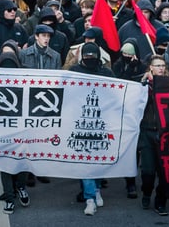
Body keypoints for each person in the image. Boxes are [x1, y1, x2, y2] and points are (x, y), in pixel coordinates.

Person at [69, 42, 113, 215]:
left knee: (98, 160)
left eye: (92, 57)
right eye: (86, 57)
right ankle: (89, 198)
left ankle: (96, 189)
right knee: (85, 161)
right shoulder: (74, 72)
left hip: (101, 123)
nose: (90, 60)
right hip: (80, 123)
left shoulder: (106, 73)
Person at [139, 55, 169, 216]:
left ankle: (161, 201)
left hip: (164, 133)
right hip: (147, 131)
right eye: (157, 65)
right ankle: (146, 192)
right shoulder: (143, 85)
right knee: (148, 171)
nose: (161, 68)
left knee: (164, 172)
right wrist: (147, 84)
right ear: (150, 68)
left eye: (163, 65)